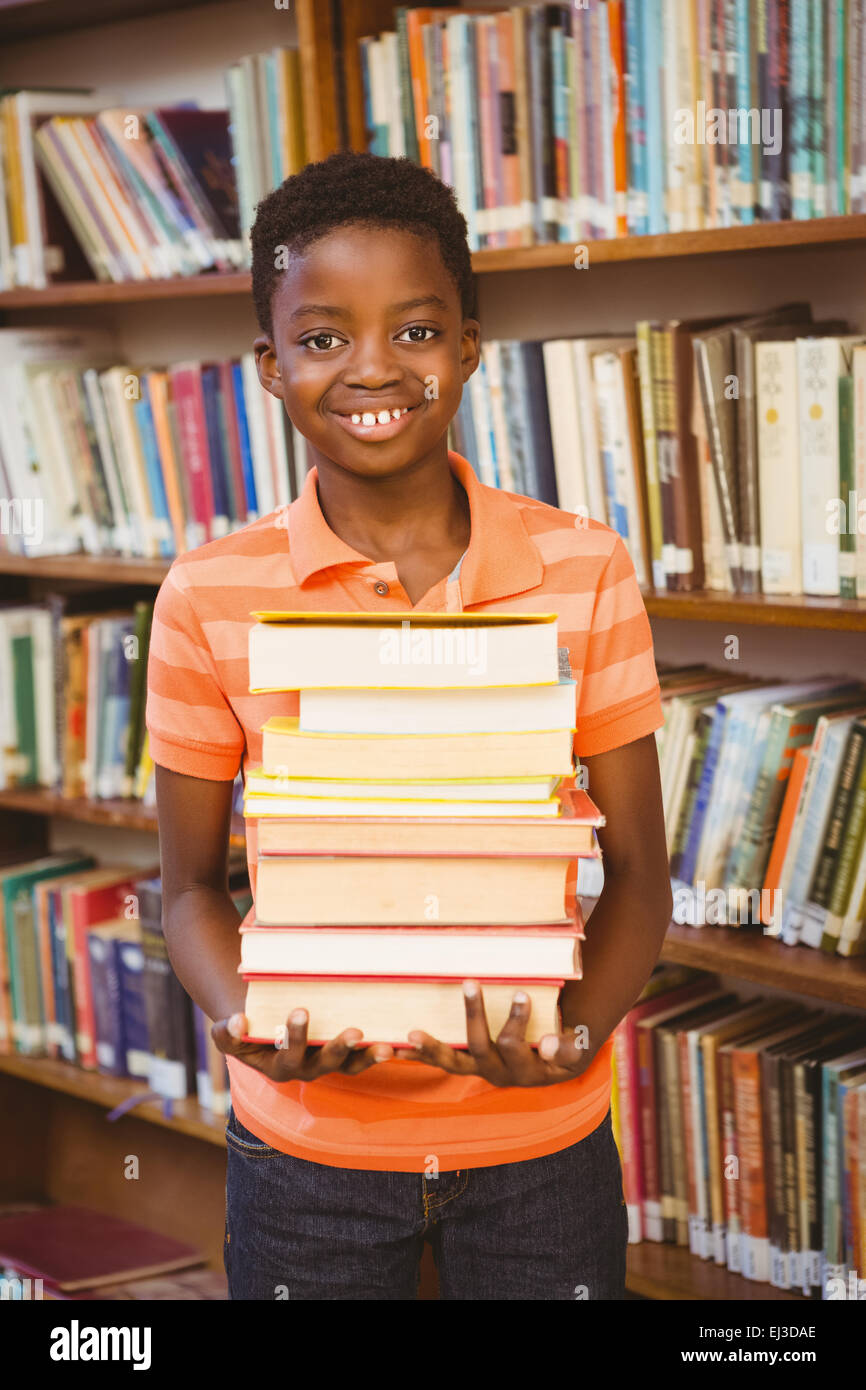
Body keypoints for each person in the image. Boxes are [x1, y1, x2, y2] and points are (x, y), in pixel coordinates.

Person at [146, 151, 672, 1301]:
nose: (372, 367)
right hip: (306, 1150)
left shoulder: (581, 568)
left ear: (471, 346)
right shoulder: (206, 592)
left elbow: (639, 877)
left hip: (540, 1143)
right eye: (323, 337)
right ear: (269, 367)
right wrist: (245, 1018)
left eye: (416, 331)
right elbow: (186, 886)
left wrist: (572, 1038)